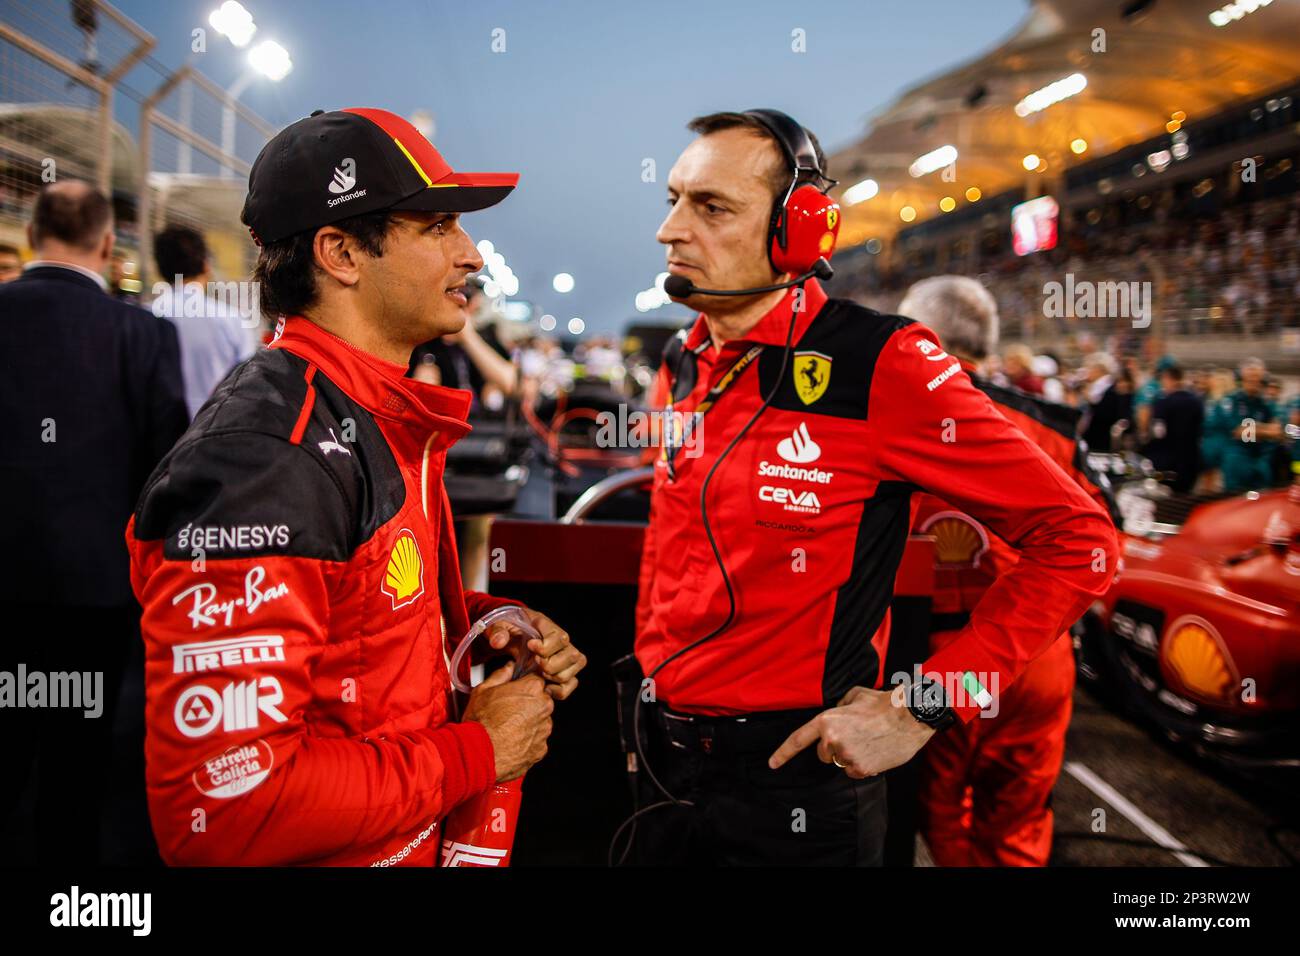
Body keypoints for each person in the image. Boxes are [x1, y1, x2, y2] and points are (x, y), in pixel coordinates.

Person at [632, 109, 1118, 866]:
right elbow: (671, 554)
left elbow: (1081, 541)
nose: (670, 230)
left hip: (795, 782)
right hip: (661, 761)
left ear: (797, 231)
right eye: (672, 198)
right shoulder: (680, 360)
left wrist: (925, 705)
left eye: (711, 206)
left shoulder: (880, 362)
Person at [126, 108, 585, 866]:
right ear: (340, 252)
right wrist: (477, 751)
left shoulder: (371, 411)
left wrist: (482, 618)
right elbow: (226, 807)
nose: (470, 254)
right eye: (438, 226)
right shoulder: (266, 458)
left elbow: (359, 618)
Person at [897, 276, 1118, 867]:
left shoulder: (903, 410)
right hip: (1040, 660)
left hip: (946, 662)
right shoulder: (1053, 424)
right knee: (1018, 819)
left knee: (939, 815)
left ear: (922, 334)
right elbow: (1103, 540)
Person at [0, 180, 189, 864]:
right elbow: (168, 465)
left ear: (28, 235)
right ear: (110, 246)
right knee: (75, 766)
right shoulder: (141, 335)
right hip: (96, 591)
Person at [151, 224, 260, 419]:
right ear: (206, 266)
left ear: (160, 268)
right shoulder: (232, 321)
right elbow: (249, 383)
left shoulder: (145, 317)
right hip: (215, 429)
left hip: (155, 436)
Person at [1205, 358, 1283, 492]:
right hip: (1237, 464)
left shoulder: (1265, 404)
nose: (1254, 381)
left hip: (1260, 464)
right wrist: (1265, 430)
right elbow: (1239, 431)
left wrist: (1256, 430)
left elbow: (1277, 431)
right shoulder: (1231, 401)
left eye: (1257, 378)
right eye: (1250, 378)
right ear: (1242, 378)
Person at [1141, 360, 1203, 493]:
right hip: (1191, 460)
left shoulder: (1163, 403)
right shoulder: (1196, 402)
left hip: (1166, 461)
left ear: (1170, 379)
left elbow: (1158, 432)